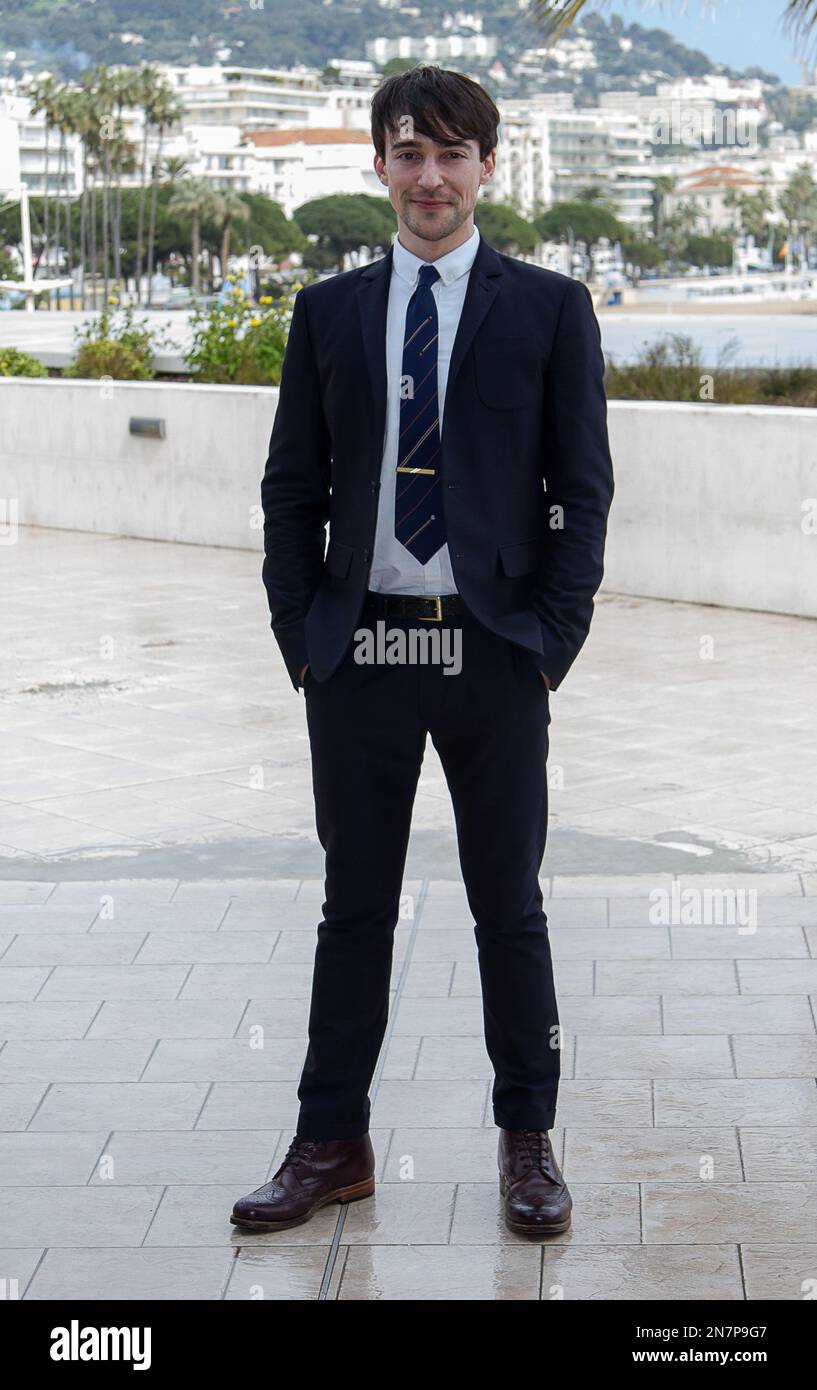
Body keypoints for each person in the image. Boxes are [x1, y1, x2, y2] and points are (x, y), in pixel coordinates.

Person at [231, 64, 614, 1238]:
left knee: (512, 905)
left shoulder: (550, 309)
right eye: (408, 153)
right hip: (362, 657)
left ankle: (527, 1143)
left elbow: (581, 492)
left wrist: (547, 643)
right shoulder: (330, 313)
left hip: (493, 655)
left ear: (487, 165)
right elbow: (292, 490)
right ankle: (329, 1140)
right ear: (381, 168)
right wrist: (306, 640)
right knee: (355, 905)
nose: (430, 177)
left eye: (451, 154)